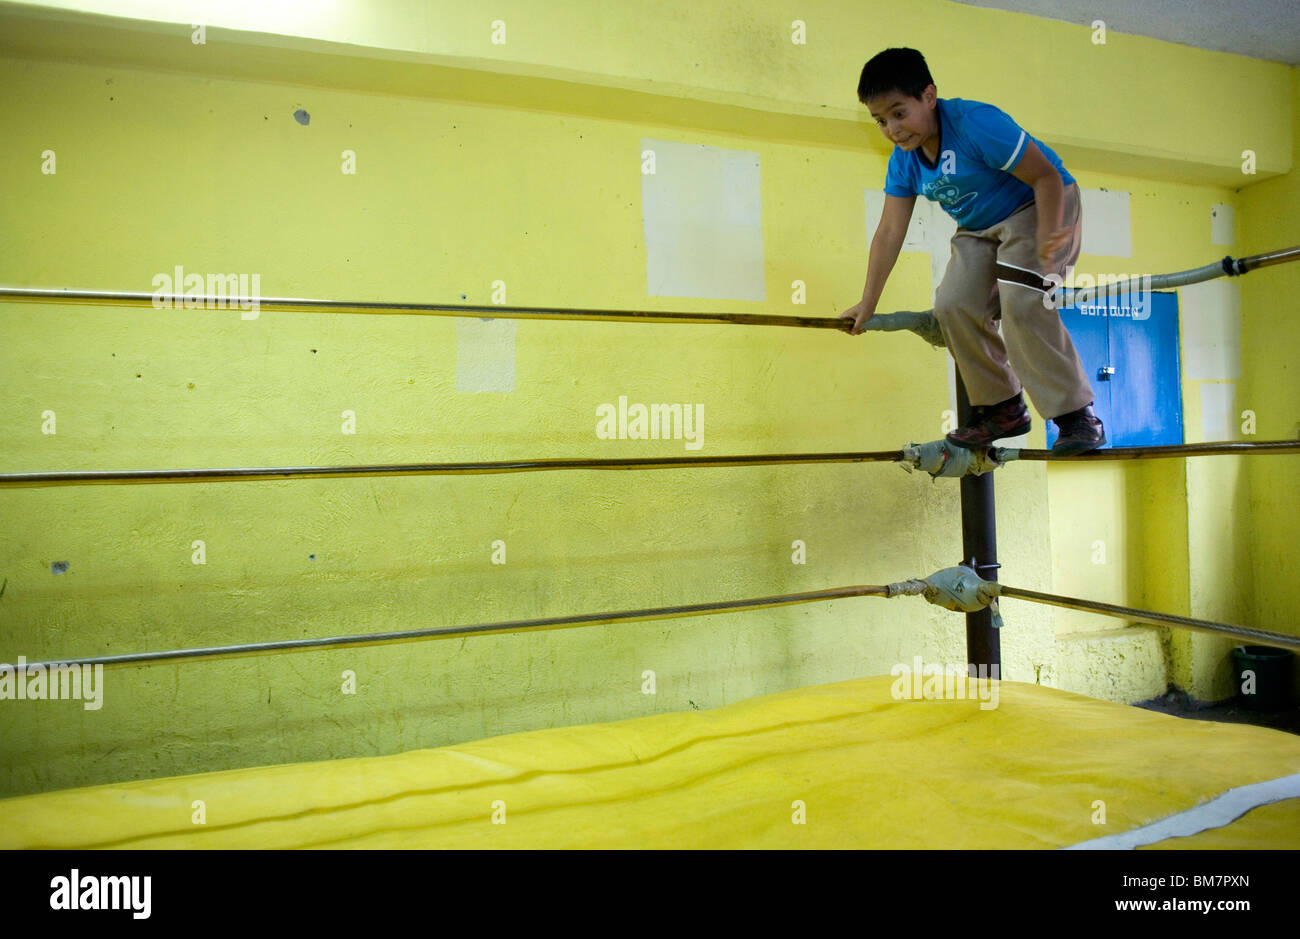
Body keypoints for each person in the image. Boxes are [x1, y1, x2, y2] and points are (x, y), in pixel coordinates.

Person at [840, 48, 1105, 454]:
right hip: (978, 229)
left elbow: (1047, 177)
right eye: (880, 120)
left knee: (1023, 302)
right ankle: (1003, 408)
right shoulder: (904, 161)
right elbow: (890, 231)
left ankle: (1077, 417)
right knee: (952, 306)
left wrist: (1053, 237)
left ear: (929, 95)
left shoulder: (977, 124)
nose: (892, 129)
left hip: (1039, 205)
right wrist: (868, 302)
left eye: (898, 113)